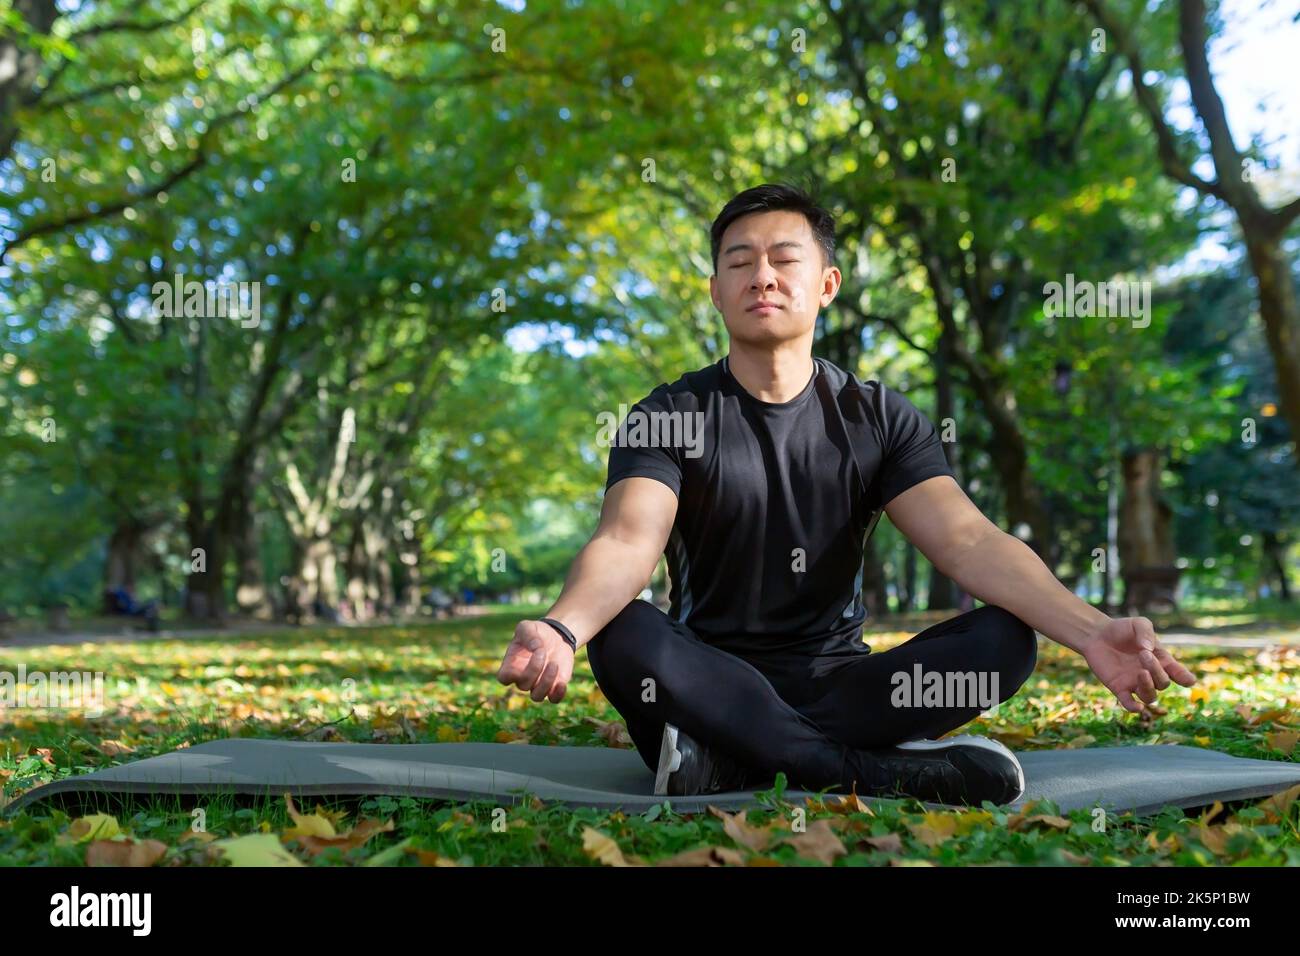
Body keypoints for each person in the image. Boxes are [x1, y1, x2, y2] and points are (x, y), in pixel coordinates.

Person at [496, 183, 1198, 805]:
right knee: (619, 627)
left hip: (843, 691)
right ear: (715, 290)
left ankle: (735, 761)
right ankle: (857, 772)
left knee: (1006, 637)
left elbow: (969, 541)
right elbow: (626, 541)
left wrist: (1088, 631)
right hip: (701, 689)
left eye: (783, 259)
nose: (761, 276)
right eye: (738, 261)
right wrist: (563, 626)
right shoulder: (667, 414)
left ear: (826, 284)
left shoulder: (878, 416)